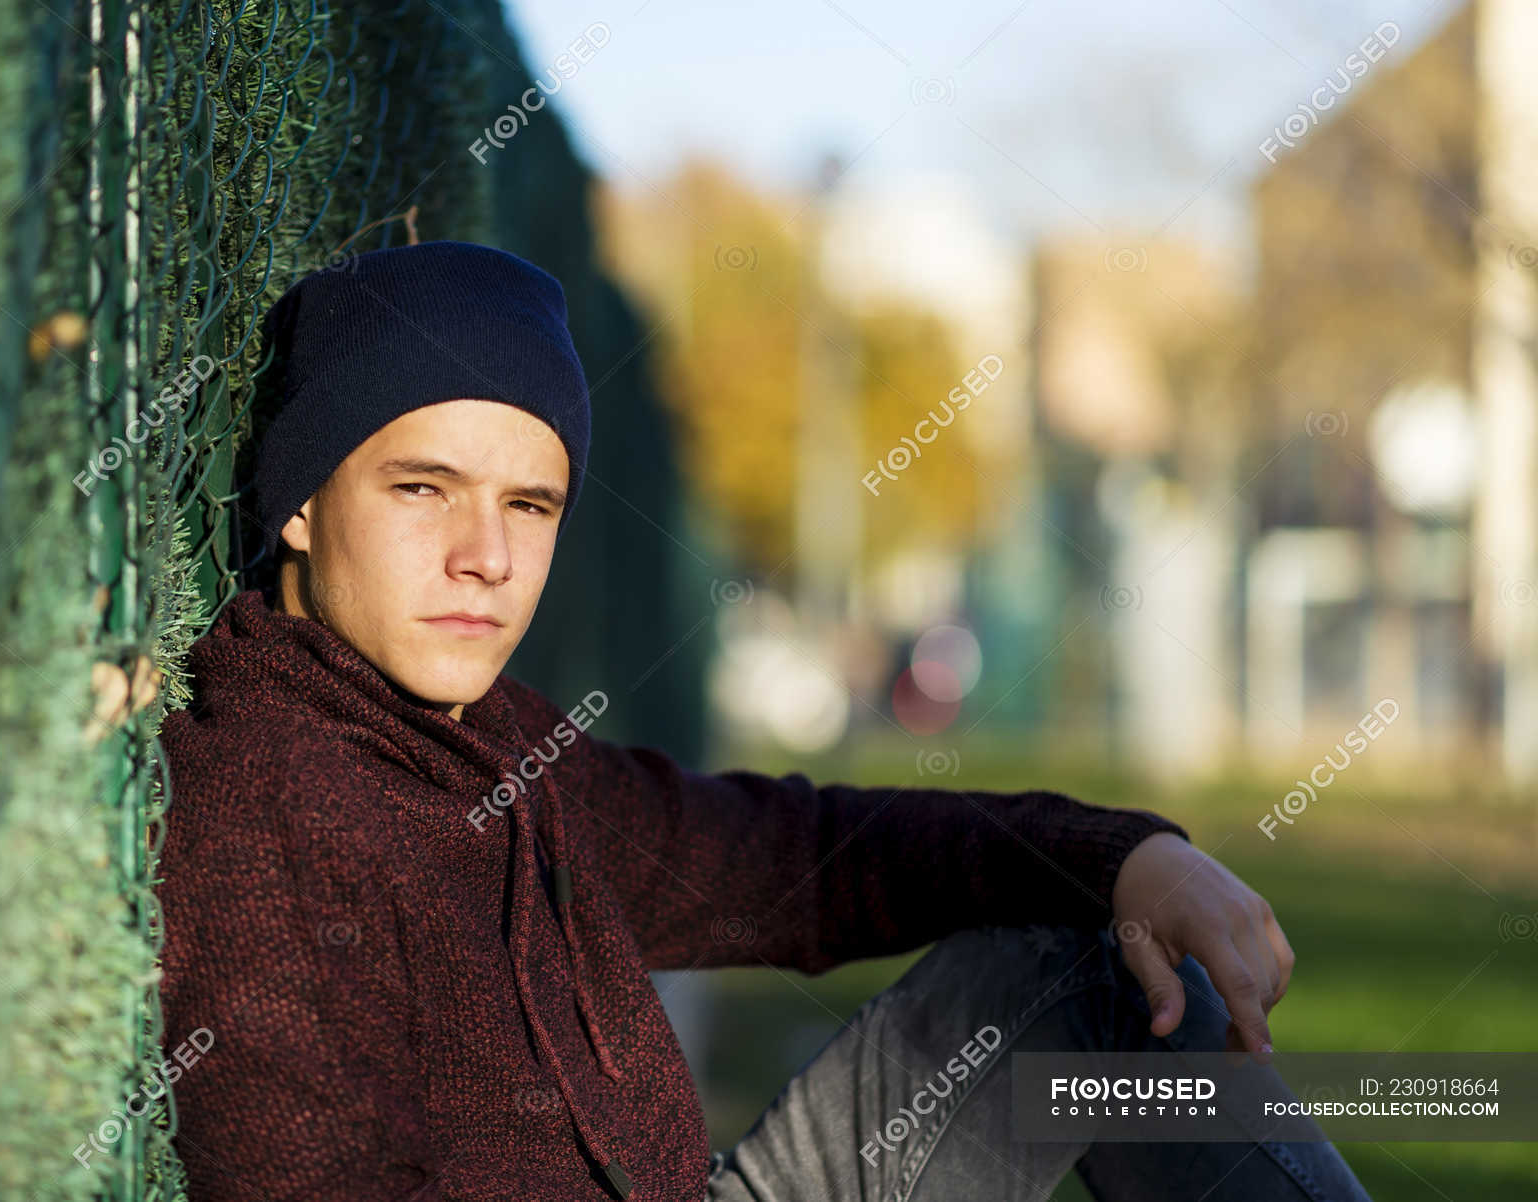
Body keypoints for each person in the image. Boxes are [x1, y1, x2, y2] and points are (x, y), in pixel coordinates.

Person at [155, 239, 1372, 1201]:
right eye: (422, 488)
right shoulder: (264, 807)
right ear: (303, 505)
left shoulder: (502, 749)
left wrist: (1126, 854)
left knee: (1084, 970)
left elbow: (799, 858)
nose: (484, 555)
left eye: (529, 504)